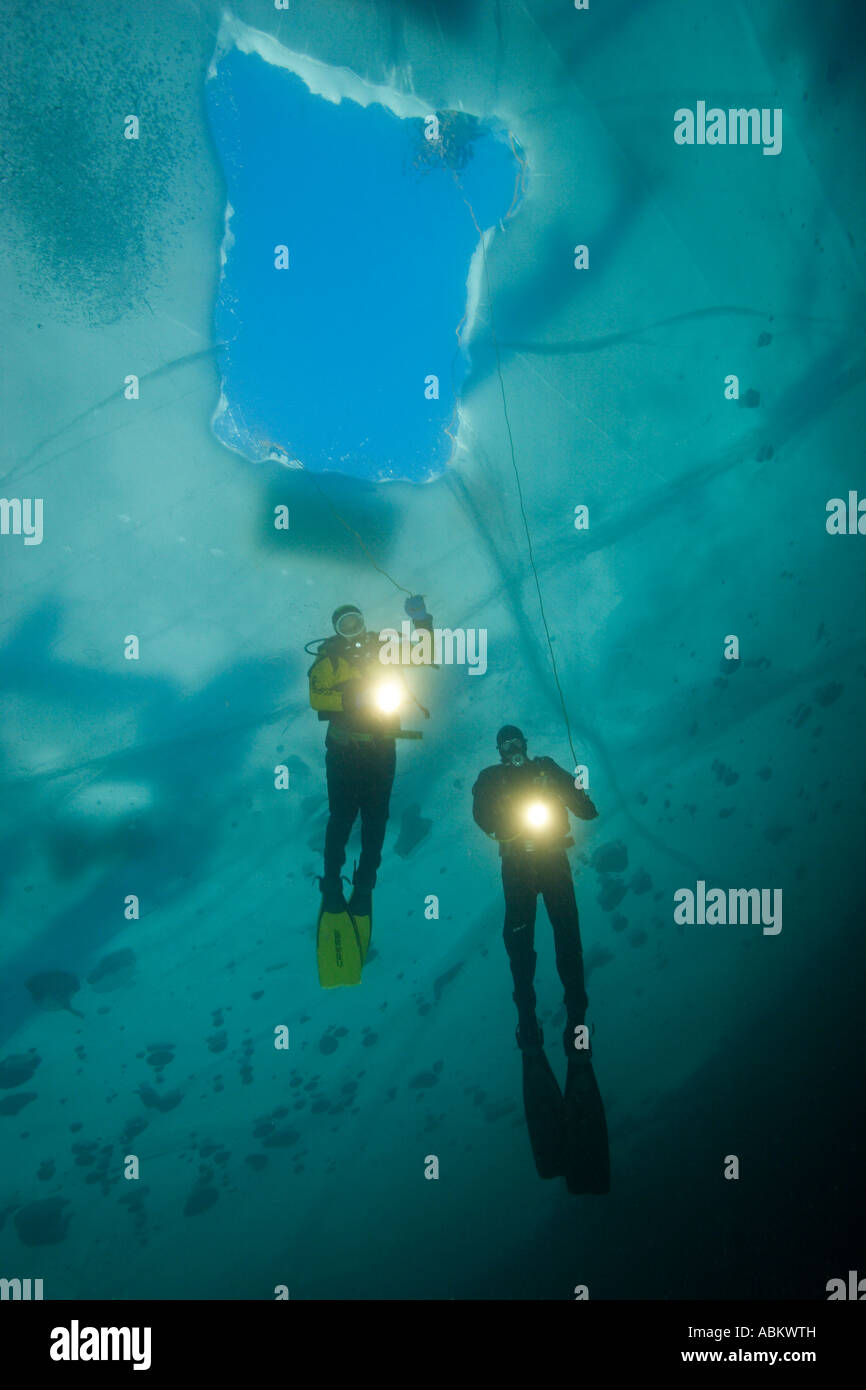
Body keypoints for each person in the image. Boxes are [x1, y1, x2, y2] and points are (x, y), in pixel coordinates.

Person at [473, 724, 609, 1193]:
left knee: (567, 937)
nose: (512, 751)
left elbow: (586, 810)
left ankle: (575, 1013)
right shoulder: (490, 779)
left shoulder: (547, 769)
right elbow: (483, 818)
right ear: (499, 750)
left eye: (517, 744)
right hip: (516, 863)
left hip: (552, 858)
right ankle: (527, 1016)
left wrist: (578, 793)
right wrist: (508, 823)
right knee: (521, 944)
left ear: (525, 746)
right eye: (505, 746)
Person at [308, 597, 431, 985]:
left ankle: (365, 884)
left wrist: (421, 618)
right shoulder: (328, 659)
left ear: (364, 621)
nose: (352, 629)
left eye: (355, 621)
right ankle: (331, 882)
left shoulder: (383, 647)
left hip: (381, 746)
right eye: (344, 624)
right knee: (342, 816)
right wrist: (351, 698)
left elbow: (423, 652)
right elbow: (316, 696)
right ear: (335, 629)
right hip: (344, 749)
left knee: (377, 816)